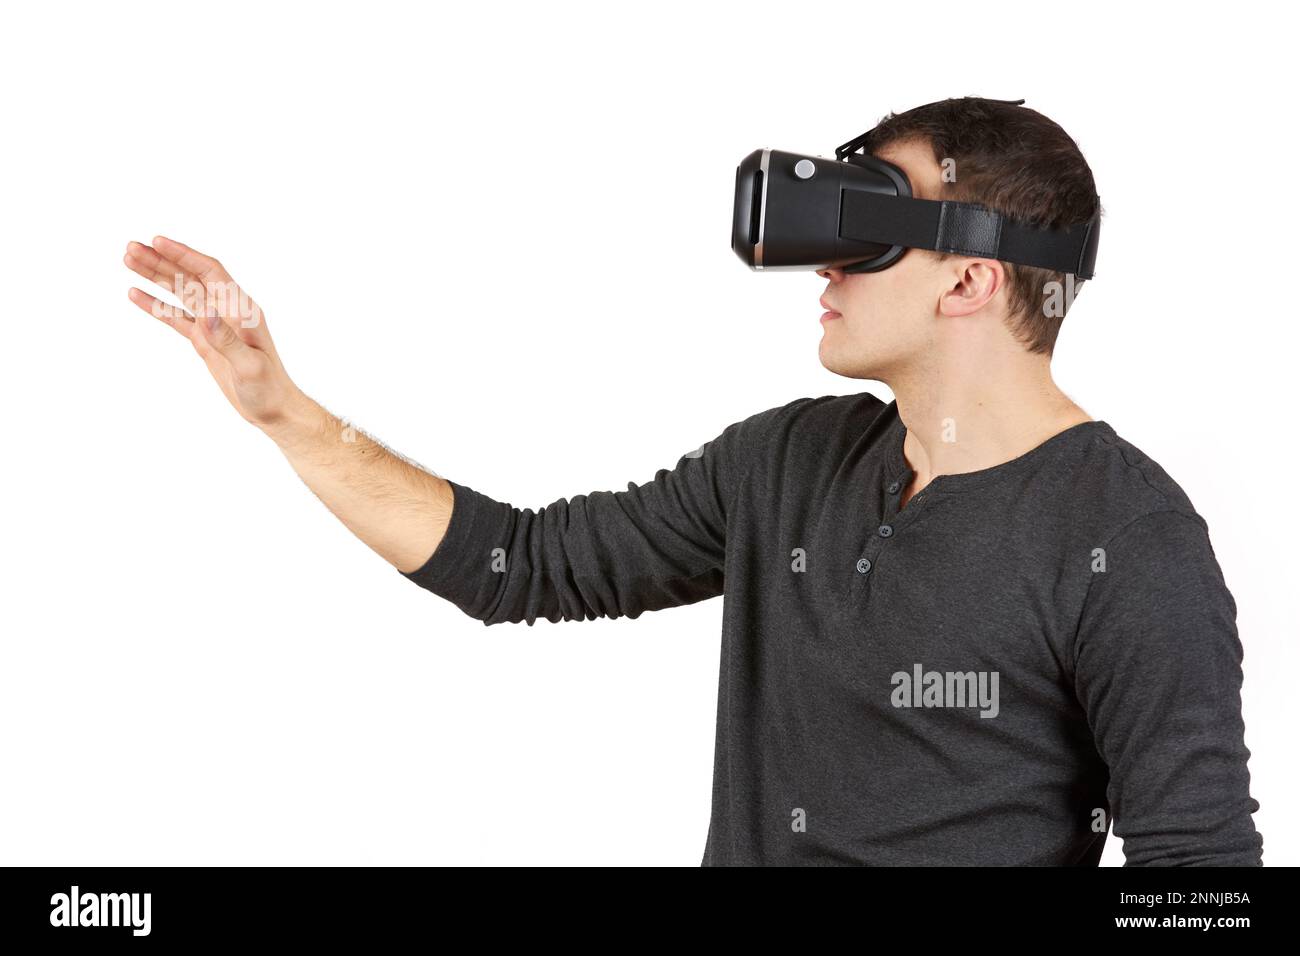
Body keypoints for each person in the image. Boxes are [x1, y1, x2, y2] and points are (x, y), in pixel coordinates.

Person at [123, 97, 1263, 866]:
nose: (825, 263)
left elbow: (1198, 871)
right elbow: (521, 564)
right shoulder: (788, 460)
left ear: (970, 275)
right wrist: (286, 412)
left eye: (868, 231)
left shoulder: (1126, 535)